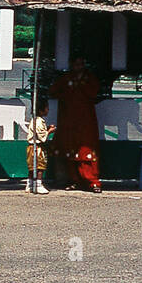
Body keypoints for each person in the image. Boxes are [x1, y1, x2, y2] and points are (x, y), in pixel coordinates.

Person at [47, 54, 103, 193]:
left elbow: (95, 92)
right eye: (76, 64)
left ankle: (92, 181)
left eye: (81, 64)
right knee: (70, 151)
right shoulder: (66, 79)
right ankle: (75, 180)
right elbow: (53, 91)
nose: (79, 67)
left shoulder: (89, 78)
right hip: (69, 120)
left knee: (87, 151)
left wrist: (81, 85)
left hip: (86, 121)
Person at [25, 98, 55, 195]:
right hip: (37, 147)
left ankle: (29, 184)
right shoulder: (39, 122)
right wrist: (50, 131)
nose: (48, 110)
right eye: (47, 108)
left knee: (32, 167)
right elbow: (42, 137)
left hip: (31, 147)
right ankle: (38, 184)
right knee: (39, 167)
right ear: (42, 110)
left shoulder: (35, 121)